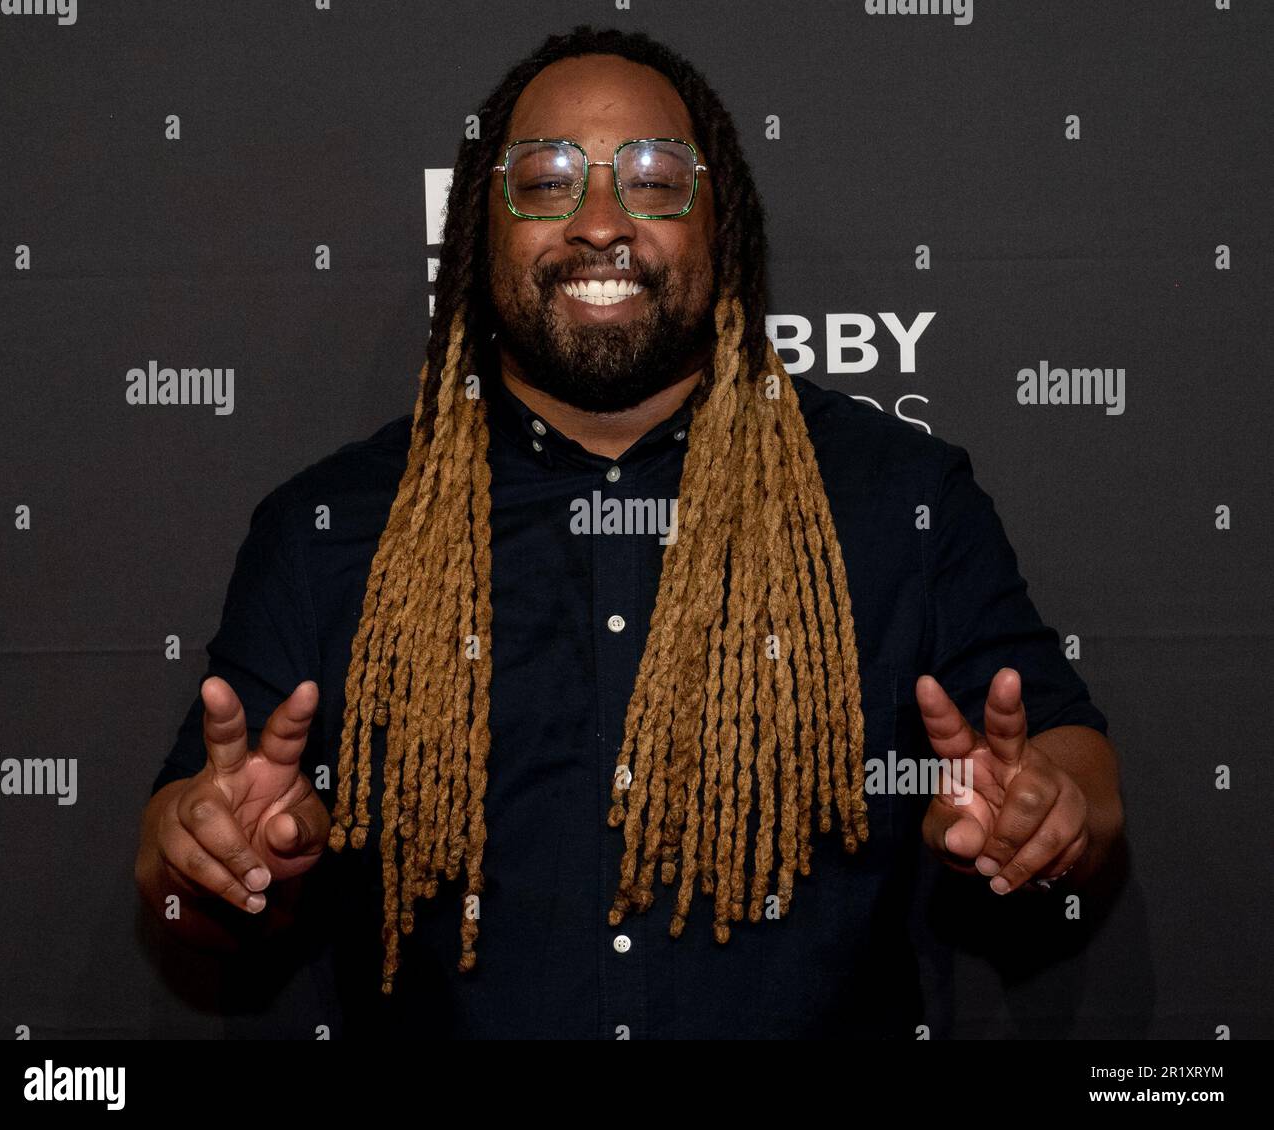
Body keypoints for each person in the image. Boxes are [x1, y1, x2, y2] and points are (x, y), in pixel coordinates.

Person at [134, 25, 1125, 1039]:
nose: (600, 221)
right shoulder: (327, 528)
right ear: (479, 227)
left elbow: (1069, 760)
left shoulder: (899, 496)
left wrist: (1050, 812)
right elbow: (186, 870)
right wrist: (214, 858)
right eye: (546, 178)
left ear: (720, 223)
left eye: (654, 178)